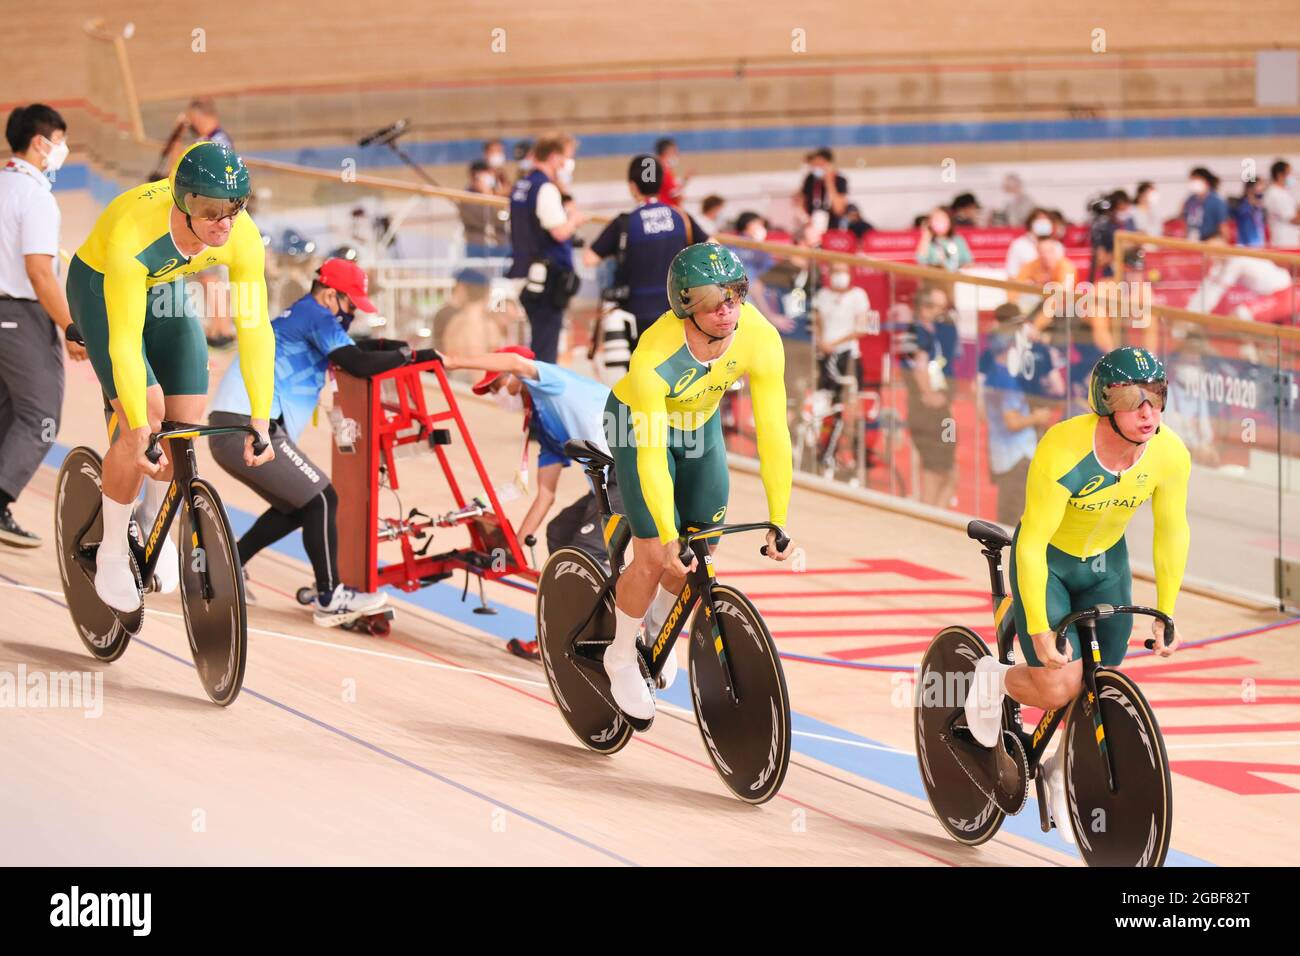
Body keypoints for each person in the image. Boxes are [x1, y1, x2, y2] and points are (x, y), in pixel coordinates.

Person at [963, 346, 1190, 843]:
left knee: (1101, 682)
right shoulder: (1063, 448)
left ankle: (1059, 766)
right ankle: (992, 678)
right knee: (1059, 683)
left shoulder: (1171, 454)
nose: (1148, 411)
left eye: (1155, 396)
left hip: (1108, 565)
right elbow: (1035, 541)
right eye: (1133, 398)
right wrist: (1041, 632)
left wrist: (1166, 610)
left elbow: (1171, 532)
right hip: (1051, 566)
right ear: (1105, 403)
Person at [67, 142, 277, 612]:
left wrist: (260, 419)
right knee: (146, 419)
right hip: (102, 288)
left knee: (183, 424)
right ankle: (113, 549)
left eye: (235, 208)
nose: (224, 222)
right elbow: (123, 341)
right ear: (183, 202)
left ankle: (157, 530)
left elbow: (255, 330)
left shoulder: (241, 236)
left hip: (161, 289)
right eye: (210, 210)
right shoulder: (133, 232)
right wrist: (138, 425)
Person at [601, 244, 793, 718]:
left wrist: (778, 518)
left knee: (700, 550)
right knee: (653, 556)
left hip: (697, 424)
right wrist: (666, 535)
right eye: (713, 300)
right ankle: (620, 655)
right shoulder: (654, 353)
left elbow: (773, 431)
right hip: (637, 425)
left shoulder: (761, 336)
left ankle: (658, 627)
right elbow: (649, 455)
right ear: (685, 306)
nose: (728, 309)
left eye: (735, 294)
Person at [208, 258, 432, 623]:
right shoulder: (317, 316)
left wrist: (393, 347)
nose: (352, 315)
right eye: (351, 305)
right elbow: (358, 363)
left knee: (298, 507)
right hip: (247, 428)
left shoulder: (304, 314)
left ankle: (230, 561)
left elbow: (355, 350)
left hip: (235, 427)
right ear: (330, 295)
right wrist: (410, 355)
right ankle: (330, 598)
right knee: (323, 498)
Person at [443, 345, 622, 660]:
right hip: (606, 482)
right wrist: (513, 546)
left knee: (584, 552)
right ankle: (560, 634)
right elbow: (545, 494)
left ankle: (606, 639)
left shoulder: (551, 383)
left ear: (515, 376)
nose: (497, 395)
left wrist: (452, 360)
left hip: (631, 469)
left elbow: (515, 361)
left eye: (496, 385)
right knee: (559, 533)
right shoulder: (542, 424)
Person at [0, 104, 84, 548]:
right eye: (60, 140)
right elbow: (39, 273)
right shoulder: (35, 197)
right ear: (40, 143)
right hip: (20, 315)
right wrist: (71, 327)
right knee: (41, 416)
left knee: (9, 408)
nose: (62, 150)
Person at [584, 154, 709, 341]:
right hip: (678, 308)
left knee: (642, 364)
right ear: (661, 184)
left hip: (637, 311)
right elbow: (712, 246)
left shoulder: (624, 223)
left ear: (632, 186)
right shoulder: (680, 217)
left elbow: (589, 258)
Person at [507, 136, 584, 363]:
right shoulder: (545, 188)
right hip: (546, 279)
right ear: (553, 157)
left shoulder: (523, 184)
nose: (567, 165)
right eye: (566, 158)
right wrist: (575, 220)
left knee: (539, 342)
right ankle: (538, 398)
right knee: (545, 351)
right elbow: (559, 231)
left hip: (526, 272)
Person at [979, 305, 1051, 525]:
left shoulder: (996, 374)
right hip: (1015, 457)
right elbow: (1011, 421)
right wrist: (1037, 417)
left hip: (1007, 455)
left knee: (1012, 509)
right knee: (1015, 514)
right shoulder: (1005, 379)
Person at [900, 284, 960, 509]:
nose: (940, 313)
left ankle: (936, 513)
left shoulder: (936, 333)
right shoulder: (916, 332)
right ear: (924, 307)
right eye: (936, 307)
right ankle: (929, 516)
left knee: (950, 472)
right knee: (935, 473)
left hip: (943, 414)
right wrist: (930, 395)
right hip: (928, 414)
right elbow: (919, 366)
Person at [811, 262, 871, 469]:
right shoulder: (822, 295)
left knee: (850, 406)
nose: (839, 275)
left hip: (848, 356)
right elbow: (817, 323)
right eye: (836, 271)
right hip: (825, 358)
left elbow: (861, 328)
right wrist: (821, 343)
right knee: (828, 405)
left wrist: (833, 344)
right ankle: (826, 451)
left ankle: (853, 453)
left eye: (843, 271)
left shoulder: (858, 295)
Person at [460, 160, 508, 258]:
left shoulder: (499, 194)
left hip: (501, 245)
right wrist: (486, 195)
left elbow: (503, 219)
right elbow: (482, 220)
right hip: (477, 246)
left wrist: (491, 194)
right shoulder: (466, 198)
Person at [795, 148, 848, 231]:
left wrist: (829, 182)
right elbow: (801, 202)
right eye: (814, 165)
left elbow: (839, 209)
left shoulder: (840, 180)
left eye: (819, 164)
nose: (816, 168)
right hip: (812, 227)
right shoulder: (810, 179)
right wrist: (805, 219)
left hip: (832, 228)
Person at [915, 207, 971, 273]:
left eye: (942, 219)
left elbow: (968, 262)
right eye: (936, 219)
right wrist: (926, 236)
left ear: (950, 221)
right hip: (935, 279)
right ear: (930, 222)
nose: (939, 222)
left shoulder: (958, 240)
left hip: (956, 278)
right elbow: (920, 261)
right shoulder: (928, 241)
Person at [1004, 208, 1055, 279]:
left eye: (1045, 220)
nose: (1043, 223)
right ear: (1031, 223)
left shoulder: (1056, 245)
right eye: (1039, 220)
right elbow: (1011, 274)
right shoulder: (1019, 245)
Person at [1181, 167, 1229, 242]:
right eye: (1191, 180)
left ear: (1205, 181)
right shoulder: (1191, 200)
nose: (1192, 183)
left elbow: (1223, 226)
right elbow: (1186, 221)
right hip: (1193, 238)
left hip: (1211, 239)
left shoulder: (1216, 201)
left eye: (1195, 179)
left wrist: (1225, 243)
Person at [1263, 160, 1300, 248]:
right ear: (1280, 175)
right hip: (1283, 242)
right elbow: (1293, 219)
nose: (1292, 177)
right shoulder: (1274, 193)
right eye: (1289, 173)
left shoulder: (1284, 192)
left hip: (1291, 240)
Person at [1233, 179, 1268, 248]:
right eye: (1259, 185)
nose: (1262, 188)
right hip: (1246, 247)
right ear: (1250, 189)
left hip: (1259, 246)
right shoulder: (1243, 208)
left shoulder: (1259, 208)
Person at [655, 138, 688, 208]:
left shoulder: (664, 169)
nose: (677, 154)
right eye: (675, 151)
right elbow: (674, 195)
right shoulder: (663, 170)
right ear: (667, 152)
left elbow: (672, 190)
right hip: (668, 209)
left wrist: (685, 180)